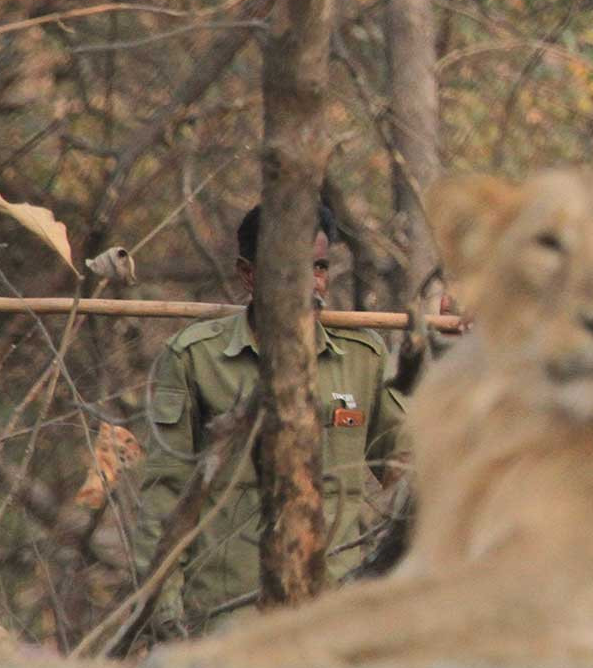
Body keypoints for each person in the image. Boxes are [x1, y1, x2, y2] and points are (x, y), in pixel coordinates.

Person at [131, 202, 403, 635]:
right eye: (289, 269)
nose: (310, 284)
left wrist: (453, 356)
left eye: (319, 267)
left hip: (334, 617)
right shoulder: (195, 358)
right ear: (249, 274)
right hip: (229, 617)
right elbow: (164, 495)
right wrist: (162, 608)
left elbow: (411, 468)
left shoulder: (362, 358)